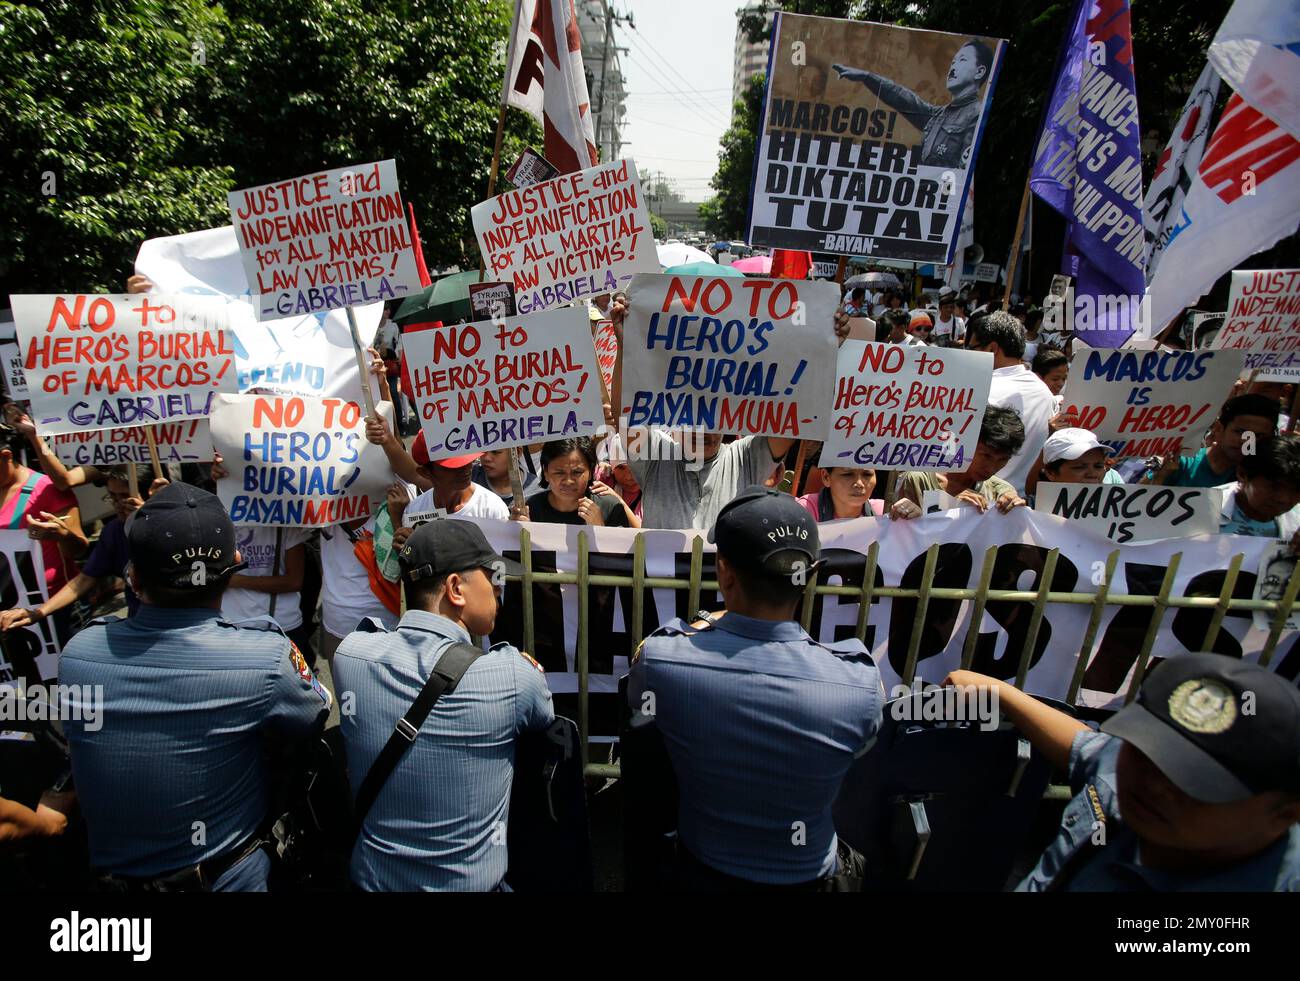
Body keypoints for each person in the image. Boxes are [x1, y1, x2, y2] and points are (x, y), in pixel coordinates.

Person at [57, 483, 330, 891]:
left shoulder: (78, 654)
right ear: (236, 563)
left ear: (132, 577)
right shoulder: (266, 659)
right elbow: (314, 716)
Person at [626, 486, 884, 889]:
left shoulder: (663, 661)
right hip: (814, 875)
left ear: (725, 574)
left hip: (701, 867)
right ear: (810, 575)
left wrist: (707, 623)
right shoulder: (859, 680)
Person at [945, 653, 1300, 891]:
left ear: (1284, 814)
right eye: (1149, 750)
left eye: (1193, 780)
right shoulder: (1124, 775)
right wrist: (1000, 691)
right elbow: (1088, 747)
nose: (1154, 783)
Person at [335, 520, 554, 891]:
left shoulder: (351, 655)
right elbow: (544, 716)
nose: (499, 588)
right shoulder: (514, 677)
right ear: (456, 588)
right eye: (490, 576)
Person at [0, 464, 159, 630]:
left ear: (150, 494)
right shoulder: (113, 532)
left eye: (125, 496)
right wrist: (38, 613)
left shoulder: (172, 526)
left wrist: (149, 520)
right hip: (140, 626)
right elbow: (84, 580)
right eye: (112, 496)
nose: (118, 504)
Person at [832, 39, 994, 168]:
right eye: (953, 62)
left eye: (962, 60)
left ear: (980, 72)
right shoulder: (939, 115)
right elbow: (903, 98)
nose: (953, 68)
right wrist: (866, 77)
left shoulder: (976, 115)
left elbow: (963, 175)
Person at [969, 312, 1055, 495]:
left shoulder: (981, 391)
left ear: (992, 349)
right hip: (1020, 501)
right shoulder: (1045, 392)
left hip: (978, 501)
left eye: (973, 348)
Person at [892, 405, 1026, 518]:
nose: (991, 468)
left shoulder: (1000, 492)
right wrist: (949, 504)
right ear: (967, 444)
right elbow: (902, 533)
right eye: (986, 456)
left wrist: (1014, 509)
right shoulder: (920, 480)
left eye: (1002, 460)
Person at [0, 422, 87, 594]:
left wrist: (62, 535)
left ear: (6, 456)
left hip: (55, 605)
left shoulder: (45, 489)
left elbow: (79, 551)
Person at [222, 526, 316, 662]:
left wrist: (237, 580)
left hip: (282, 626)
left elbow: (294, 581)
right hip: (232, 624)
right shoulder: (219, 519)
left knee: (294, 681)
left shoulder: (289, 523)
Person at [1147, 394, 1279, 488]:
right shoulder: (1181, 462)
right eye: (1240, 432)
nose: (1248, 442)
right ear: (1219, 429)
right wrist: (1160, 476)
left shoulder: (1264, 476)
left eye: (1259, 436)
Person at [516, 437, 633, 528]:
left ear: (591, 472)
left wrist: (600, 529)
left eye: (577, 472)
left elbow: (624, 557)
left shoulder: (610, 506)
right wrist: (515, 532)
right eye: (559, 473)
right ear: (545, 473)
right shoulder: (529, 509)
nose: (568, 481)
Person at [1216, 433, 1300, 543]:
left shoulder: (1297, 523)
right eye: (1274, 486)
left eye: (1296, 490)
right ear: (1242, 474)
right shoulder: (1199, 509)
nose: (1283, 499)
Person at [1025, 428, 1124, 503]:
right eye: (1080, 467)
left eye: (1098, 466)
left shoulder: (1119, 508)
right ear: (1051, 473)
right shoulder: (1027, 512)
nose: (1092, 474)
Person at [799, 463, 883, 521]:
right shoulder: (805, 510)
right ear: (826, 477)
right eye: (848, 474)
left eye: (867, 474)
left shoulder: (885, 512)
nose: (859, 484)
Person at [472, 447, 538, 510]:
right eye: (482, 450)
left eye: (495, 452)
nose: (486, 458)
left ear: (517, 452)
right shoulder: (469, 479)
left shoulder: (536, 491)